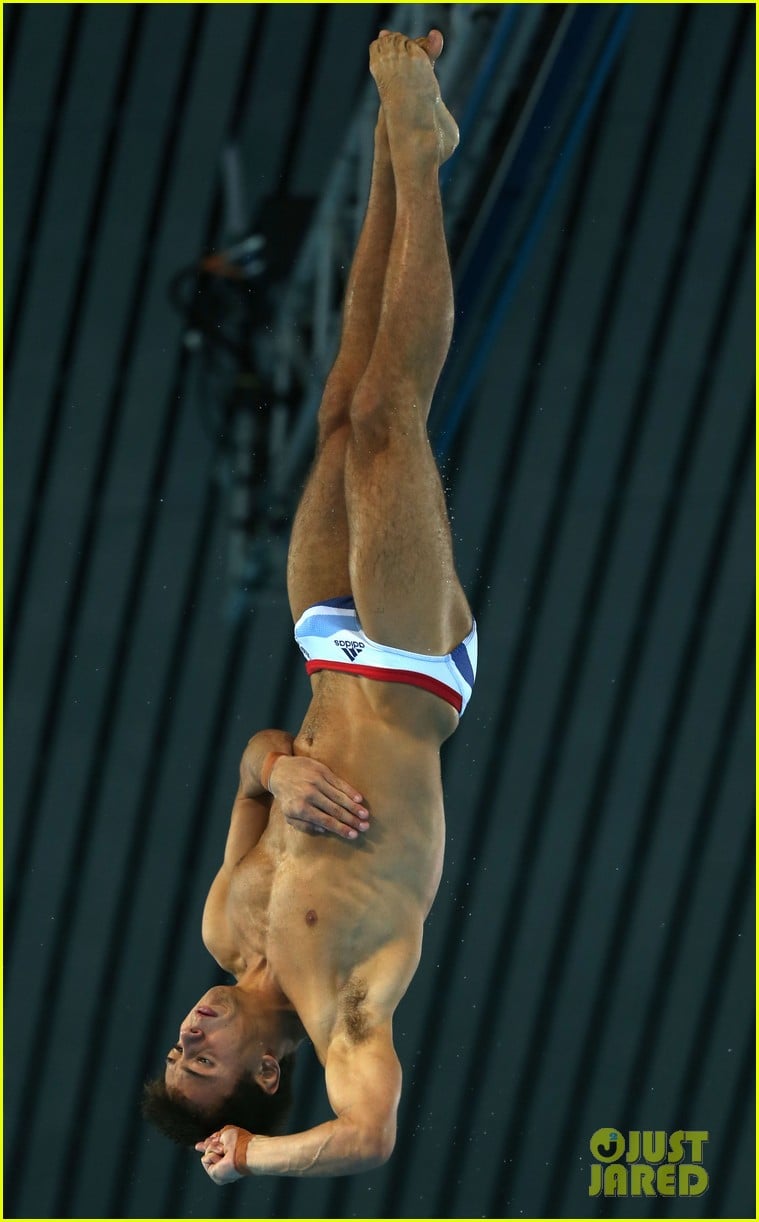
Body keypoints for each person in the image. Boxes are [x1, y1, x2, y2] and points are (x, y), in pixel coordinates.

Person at [142, 27, 477, 1180]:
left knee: (342, 404)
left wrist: (277, 774)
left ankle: (397, 141)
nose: (187, 1034)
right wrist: (264, 1157)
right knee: (393, 421)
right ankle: (423, 152)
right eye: (203, 1064)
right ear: (262, 1080)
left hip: (328, 648)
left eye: (175, 1048)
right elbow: (373, 1135)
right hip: (408, 678)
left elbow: (252, 762)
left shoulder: (223, 925)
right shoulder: (347, 1013)